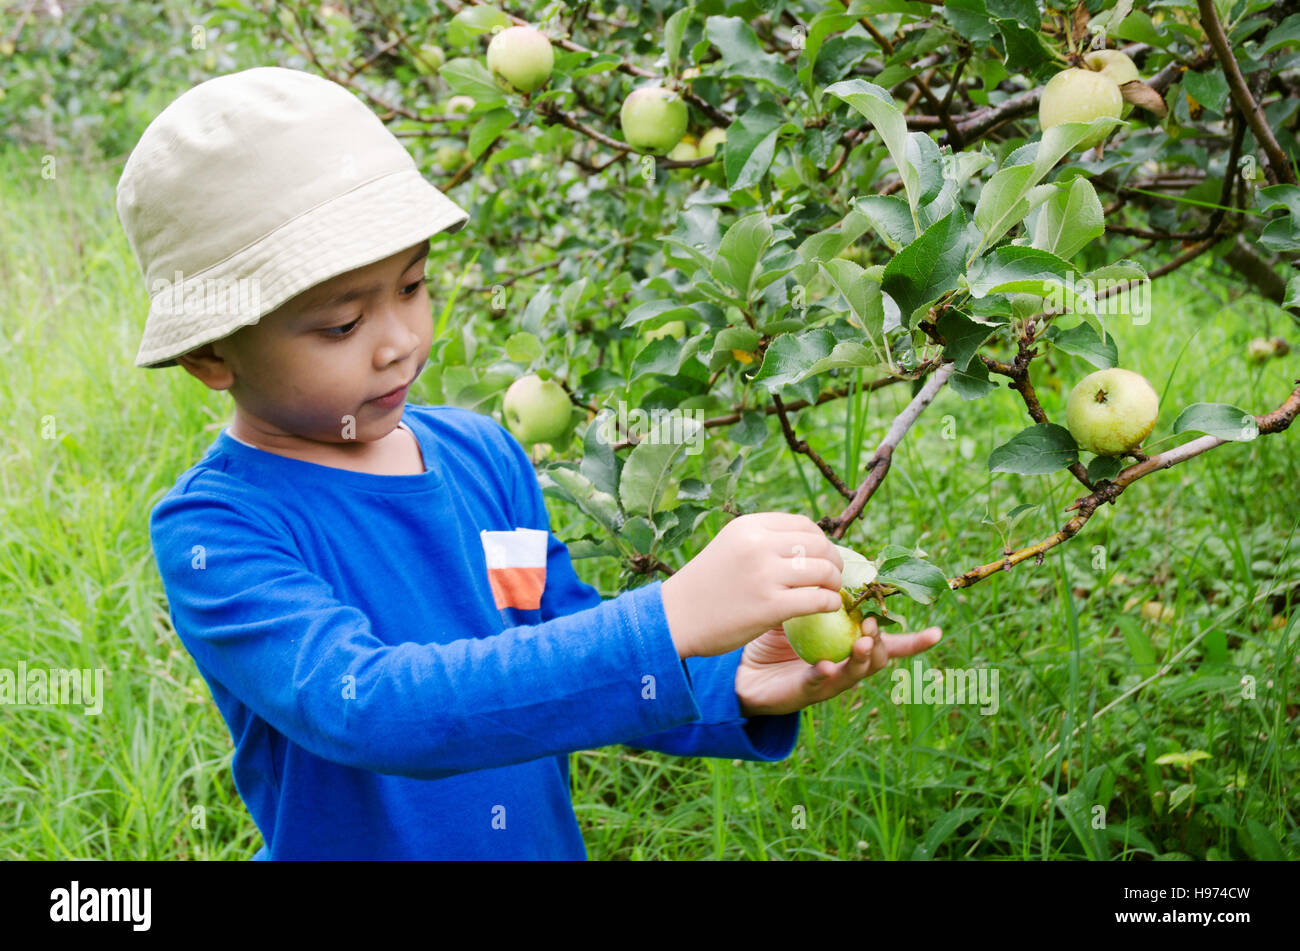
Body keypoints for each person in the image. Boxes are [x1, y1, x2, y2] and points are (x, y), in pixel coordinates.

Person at [117, 66, 943, 859]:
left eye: (411, 286)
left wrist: (727, 682)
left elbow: (548, 637)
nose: (400, 340)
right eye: (341, 325)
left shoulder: (483, 456)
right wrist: (667, 615)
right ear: (212, 356)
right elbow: (368, 707)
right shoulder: (218, 529)